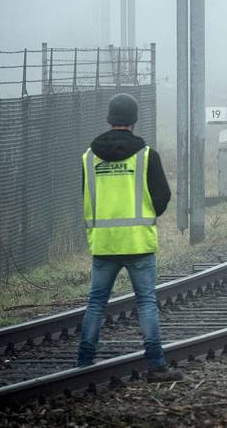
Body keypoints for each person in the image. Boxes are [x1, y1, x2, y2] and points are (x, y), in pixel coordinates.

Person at [77, 93, 182, 381]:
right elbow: (163, 196)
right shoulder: (146, 155)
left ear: (109, 119)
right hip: (137, 242)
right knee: (146, 302)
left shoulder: (89, 157)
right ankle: (156, 365)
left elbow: (85, 196)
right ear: (134, 119)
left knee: (96, 303)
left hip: (104, 243)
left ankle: (83, 364)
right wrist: (147, 214)